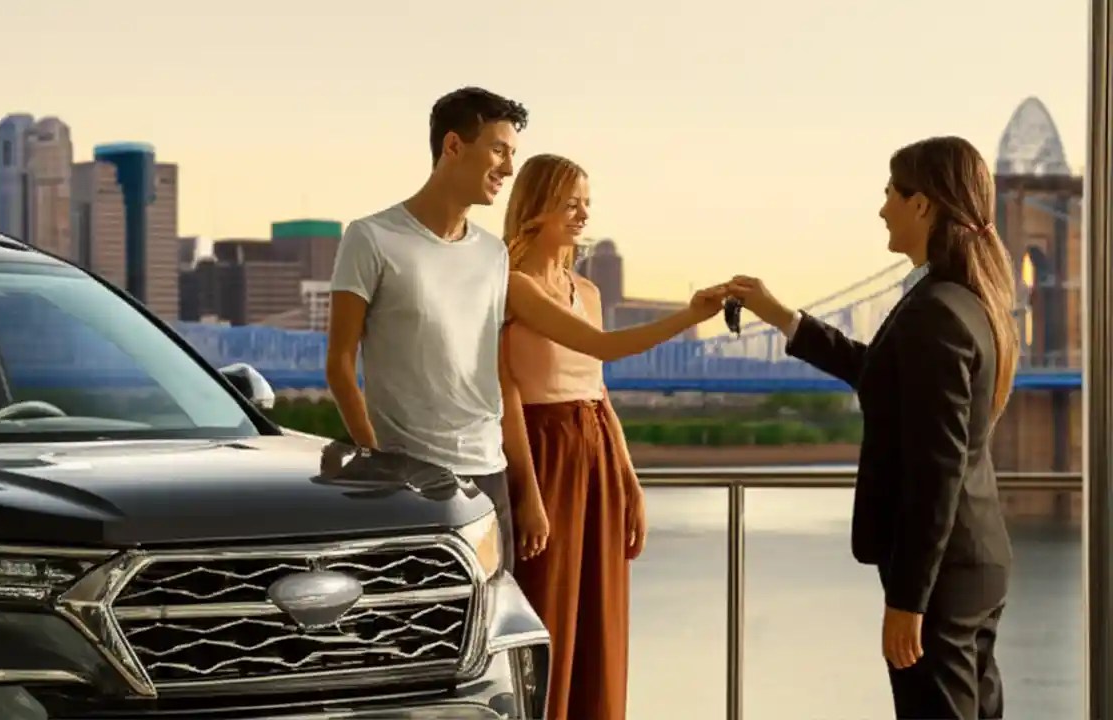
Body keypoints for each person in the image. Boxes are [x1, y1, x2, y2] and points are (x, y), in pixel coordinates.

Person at [326, 87, 727, 572]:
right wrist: (378, 461)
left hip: (489, 474)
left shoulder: (491, 255)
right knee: (420, 632)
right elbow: (341, 364)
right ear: (453, 146)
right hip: (411, 474)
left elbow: (518, 370)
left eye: (513, 154)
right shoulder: (370, 238)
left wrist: (692, 316)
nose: (509, 168)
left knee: (492, 632)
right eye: (499, 150)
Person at [727, 136, 1018, 720]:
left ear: (921, 205)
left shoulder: (936, 310)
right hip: (974, 560)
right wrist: (782, 315)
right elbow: (876, 371)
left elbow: (937, 473)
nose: (881, 206)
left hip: (941, 574)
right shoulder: (961, 301)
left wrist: (908, 601)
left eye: (889, 192)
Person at [497, 153, 647, 720]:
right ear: (538, 207)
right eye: (570, 201)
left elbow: (600, 388)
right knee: (550, 606)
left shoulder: (587, 291)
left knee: (601, 610)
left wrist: (630, 481)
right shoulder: (510, 285)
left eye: (587, 200)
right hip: (546, 447)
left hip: (598, 448)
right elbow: (507, 392)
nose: (583, 212)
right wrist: (527, 492)